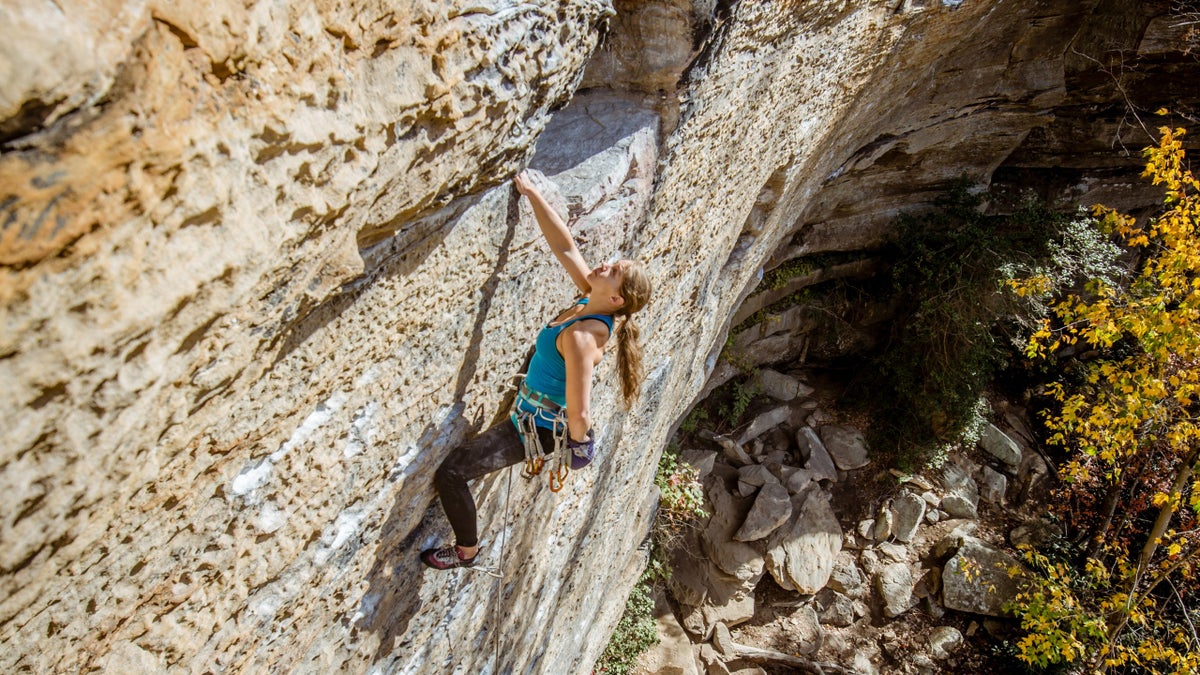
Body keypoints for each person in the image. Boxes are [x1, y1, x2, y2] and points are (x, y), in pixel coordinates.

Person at [419, 170, 652, 570]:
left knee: (452, 473)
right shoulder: (589, 299)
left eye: (612, 269)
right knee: (456, 469)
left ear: (616, 298)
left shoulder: (582, 335)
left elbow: (580, 411)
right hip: (531, 414)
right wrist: (532, 194)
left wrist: (579, 448)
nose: (604, 263)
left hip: (535, 430)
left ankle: (466, 551)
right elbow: (564, 246)